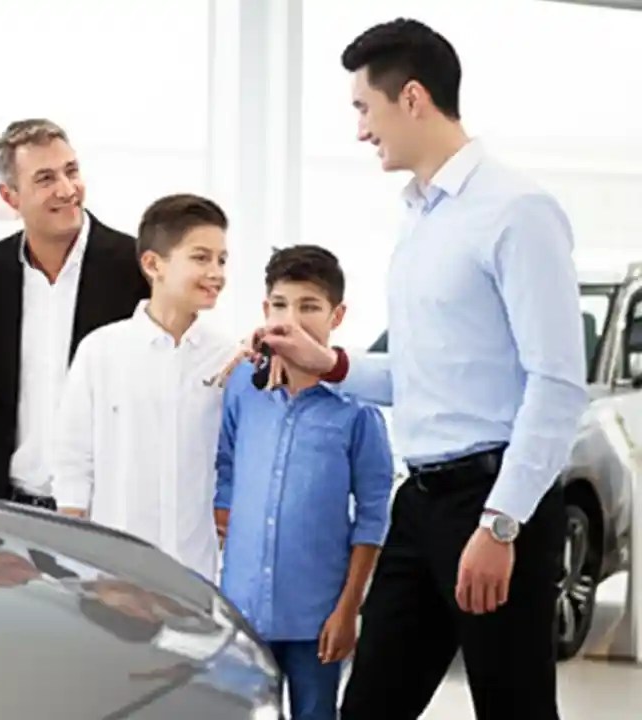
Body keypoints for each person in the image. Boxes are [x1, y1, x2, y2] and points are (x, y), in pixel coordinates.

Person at [241, 19, 588, 720]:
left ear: (413, 98)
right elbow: (426, 376)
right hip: (422, 500)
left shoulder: (516, 211)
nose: (361, 130)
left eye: (363, 109)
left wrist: (501, 524)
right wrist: (328, 362)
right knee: (369, 706)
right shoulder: (421, 218)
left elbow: (557, 383)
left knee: (512, 708)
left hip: (493, 501)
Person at [215, 245, 393, 720]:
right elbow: (225, 471)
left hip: (318, 618)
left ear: (337, 315)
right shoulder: (241, 389)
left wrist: (348, 609)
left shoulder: (358, 411)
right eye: (280, 304)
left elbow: (374, 514)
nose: (291, 318)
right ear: (264, 311)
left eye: (309, 307)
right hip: (244, 613)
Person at [0, 119, 150, 509]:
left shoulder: (135, 267)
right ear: (10, 196)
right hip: (5, 509)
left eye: (71, 171)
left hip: (104, 511)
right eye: (45, 178)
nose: (66, 189)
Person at [51, 193, 238, 581]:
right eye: (201, 258)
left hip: (196, 571)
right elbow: (73, 457)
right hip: (112, 570)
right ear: (154, 264)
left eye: (222, 259)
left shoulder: (229, 358)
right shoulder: (101, 350)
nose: (216, 272)